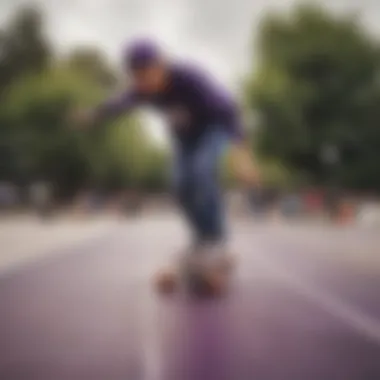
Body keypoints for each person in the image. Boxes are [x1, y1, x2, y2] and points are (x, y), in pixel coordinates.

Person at [71, 39, 259, 265]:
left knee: (201, 172)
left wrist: (242, 156)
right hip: (184, 140)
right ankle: (200, 239)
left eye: (148, 75)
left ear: (161, 65)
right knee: (180, 184)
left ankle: (216, 240)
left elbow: (228, 110)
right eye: (137, 78)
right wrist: (93, 115)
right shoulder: (142, 90)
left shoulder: (190, 78)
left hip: (211, 130)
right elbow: (119, 104)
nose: (145, 83)